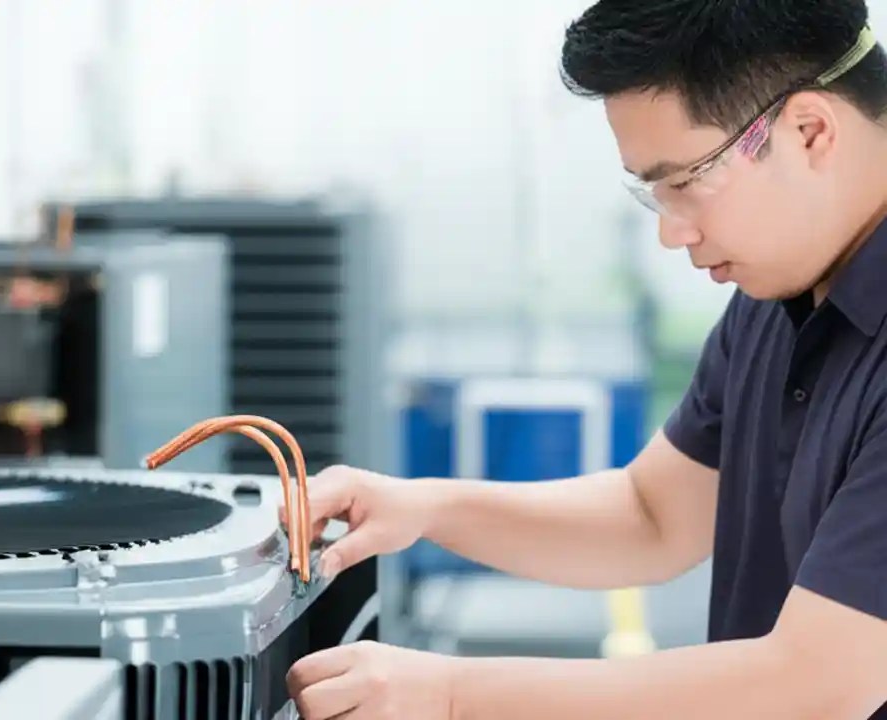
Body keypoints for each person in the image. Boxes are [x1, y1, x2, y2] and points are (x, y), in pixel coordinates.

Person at [285, 1, 887, 718]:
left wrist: (447, 695)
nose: (672, 233)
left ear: (810, 131)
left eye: (685, 182)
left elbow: (817, 684)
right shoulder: (778, 293)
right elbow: (652, 516)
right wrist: (426, 507)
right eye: (652, 193)